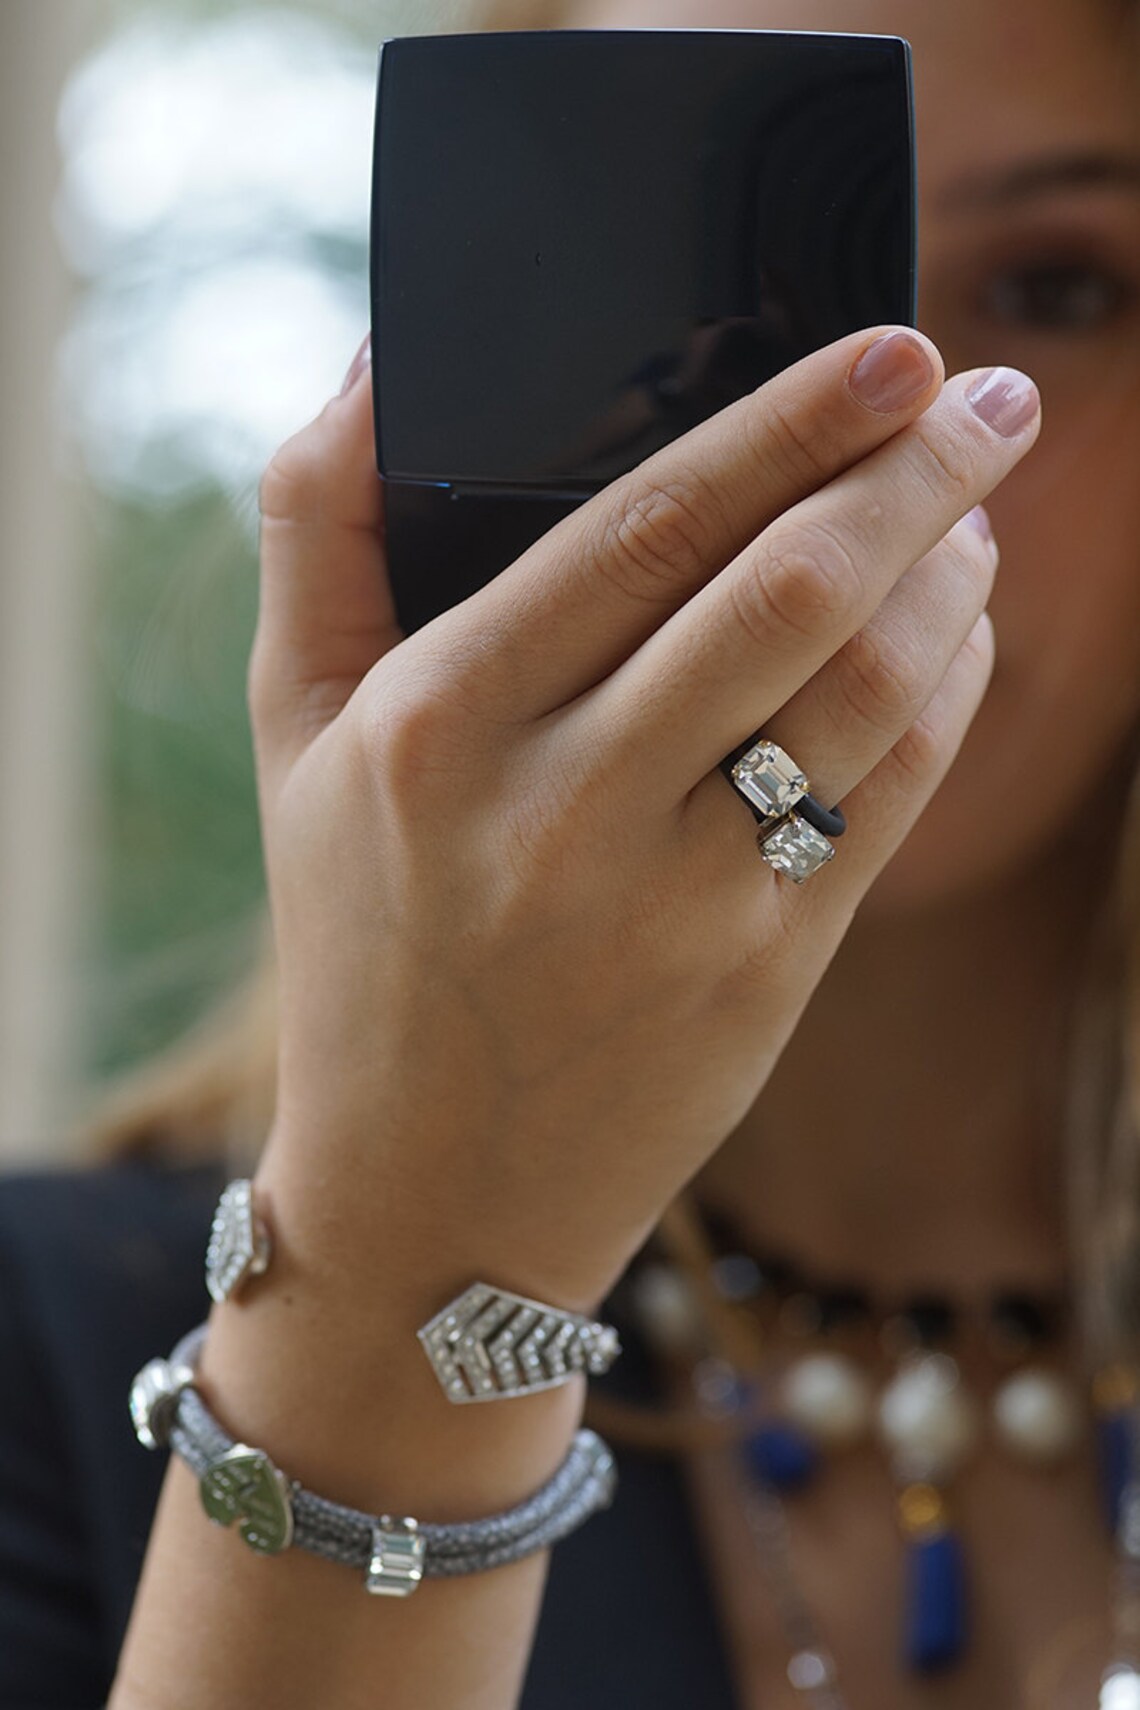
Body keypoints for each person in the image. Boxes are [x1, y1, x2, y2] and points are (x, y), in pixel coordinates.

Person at [3, 0, 1140, 1704]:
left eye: (1058, 287)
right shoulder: (61, 1359)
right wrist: (410, 1268)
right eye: (740, 298)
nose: (883, 450)